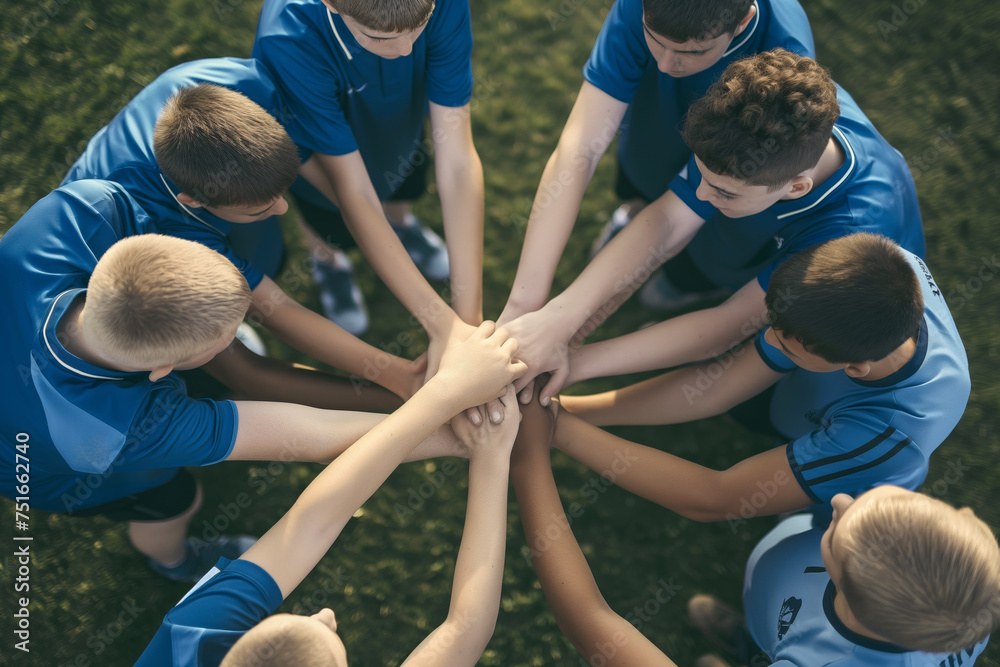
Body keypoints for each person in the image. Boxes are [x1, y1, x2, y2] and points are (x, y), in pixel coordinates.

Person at [0, 180, 473, 582]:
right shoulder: (116, 431)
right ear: (162, 370)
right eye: (225, 341)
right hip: (41, 469)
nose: (235, 345)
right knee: (171, 499)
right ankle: (173, 559)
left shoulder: (83, 208)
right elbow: (303, 435)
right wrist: (443, 417)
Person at [502, 49, 926, 406]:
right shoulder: (770, 119)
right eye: (700, 174)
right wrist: (558, 320)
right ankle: (688, 280)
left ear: (797, 187)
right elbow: (668, 219)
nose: (701, 196)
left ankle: (692, 284)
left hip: (837, 303)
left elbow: (728, 325)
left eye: (724, 191)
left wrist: (575, 362)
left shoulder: (844, 241)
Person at [135, 333, 525, 666]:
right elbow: (464, 630)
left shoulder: (193, 633)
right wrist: (489, 452)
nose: (326, 615)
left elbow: (466, 630)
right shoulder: (189, 636)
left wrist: (450, 400)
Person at [510, 400, 998, 666]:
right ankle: (752, 641)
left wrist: (530, 460)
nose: (841, 501)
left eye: (840, 528)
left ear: (843, 580)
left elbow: (589, 619)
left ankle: (754, 651)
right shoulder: (964, 605)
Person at [62, 57, 423, 399]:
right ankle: (225, 332)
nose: (283, 209)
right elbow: (274, 318)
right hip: (134, 255)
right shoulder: (163, 230)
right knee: (211, 324)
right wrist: (403, 382)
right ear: (196, 202)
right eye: (261, 209)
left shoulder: (245, 85)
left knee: (266, 258)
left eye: (283, 193)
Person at [554, 233, 968, 521]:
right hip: (815, 403)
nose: (767, 343)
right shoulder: (878, 267)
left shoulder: (886, 438)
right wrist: (571, 410)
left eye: (786, 347)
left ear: (856, 369)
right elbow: (716, 387)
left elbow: (714, 499)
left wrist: (556, 428)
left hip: (849, 488)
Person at [500, 0, 814, 326]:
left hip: (733, 178)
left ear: (743, 21)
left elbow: (683, 211)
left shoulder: (786, 59)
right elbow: (581, 148)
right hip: (653, 136)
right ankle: (632, 218)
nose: (665, 64)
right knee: (641, 183)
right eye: (654, 38)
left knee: (705, 233)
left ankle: (683, 282)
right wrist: (525, 301)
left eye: (693, 52)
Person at [252, 0, 489, 392]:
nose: (407, 50)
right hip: (321, 162)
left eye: (421, 26)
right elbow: (353, 190)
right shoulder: (290, 39)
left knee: (403, 187)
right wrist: (441, 326)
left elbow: (458, 159)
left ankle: (401, 227)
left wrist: (468, 323)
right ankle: (329, 261)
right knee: (328, 219)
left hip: (401, 133)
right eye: (381, 37)